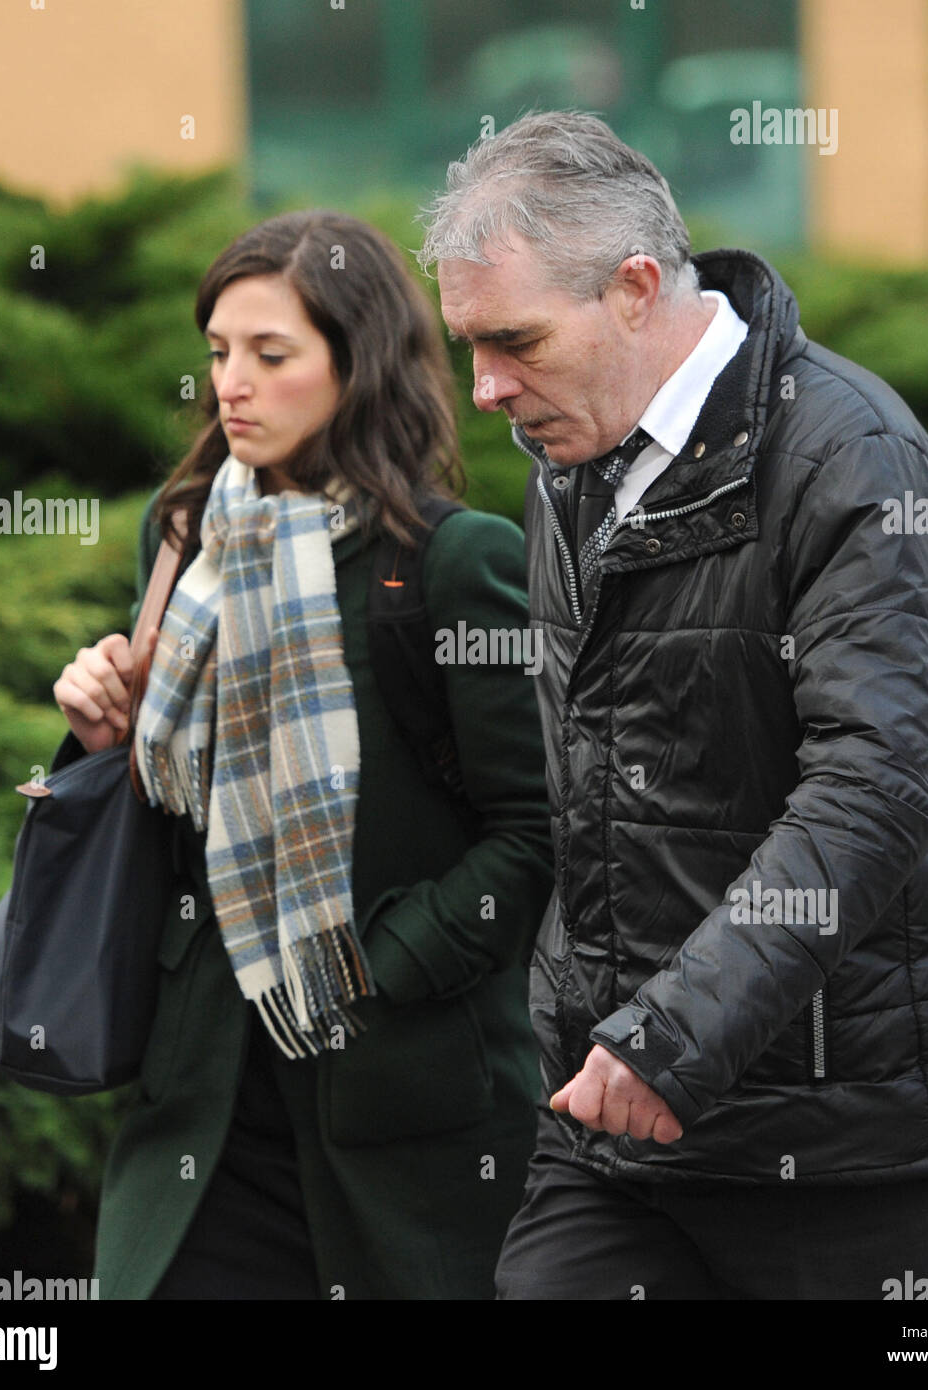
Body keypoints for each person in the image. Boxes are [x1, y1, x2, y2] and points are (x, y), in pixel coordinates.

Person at [420, 110, 928, 1300]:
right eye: (466, 348)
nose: (484, 389)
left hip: (853, 1147)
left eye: (513, 342)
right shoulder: (569, 469)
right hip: (615, 1134)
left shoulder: (855, 460)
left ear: (635, 288)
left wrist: (672, 1038)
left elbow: (875, 784)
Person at [52, 210, 553, 1299]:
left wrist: (380, 966)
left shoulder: (455, 563)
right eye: (219, 354)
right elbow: (166, 806)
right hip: (210, 1098)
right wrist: (101, 733)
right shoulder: (182, 536)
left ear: (357, 365)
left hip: (405, 1110)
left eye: (270, 355)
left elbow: (535, 833)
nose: (230, 383)